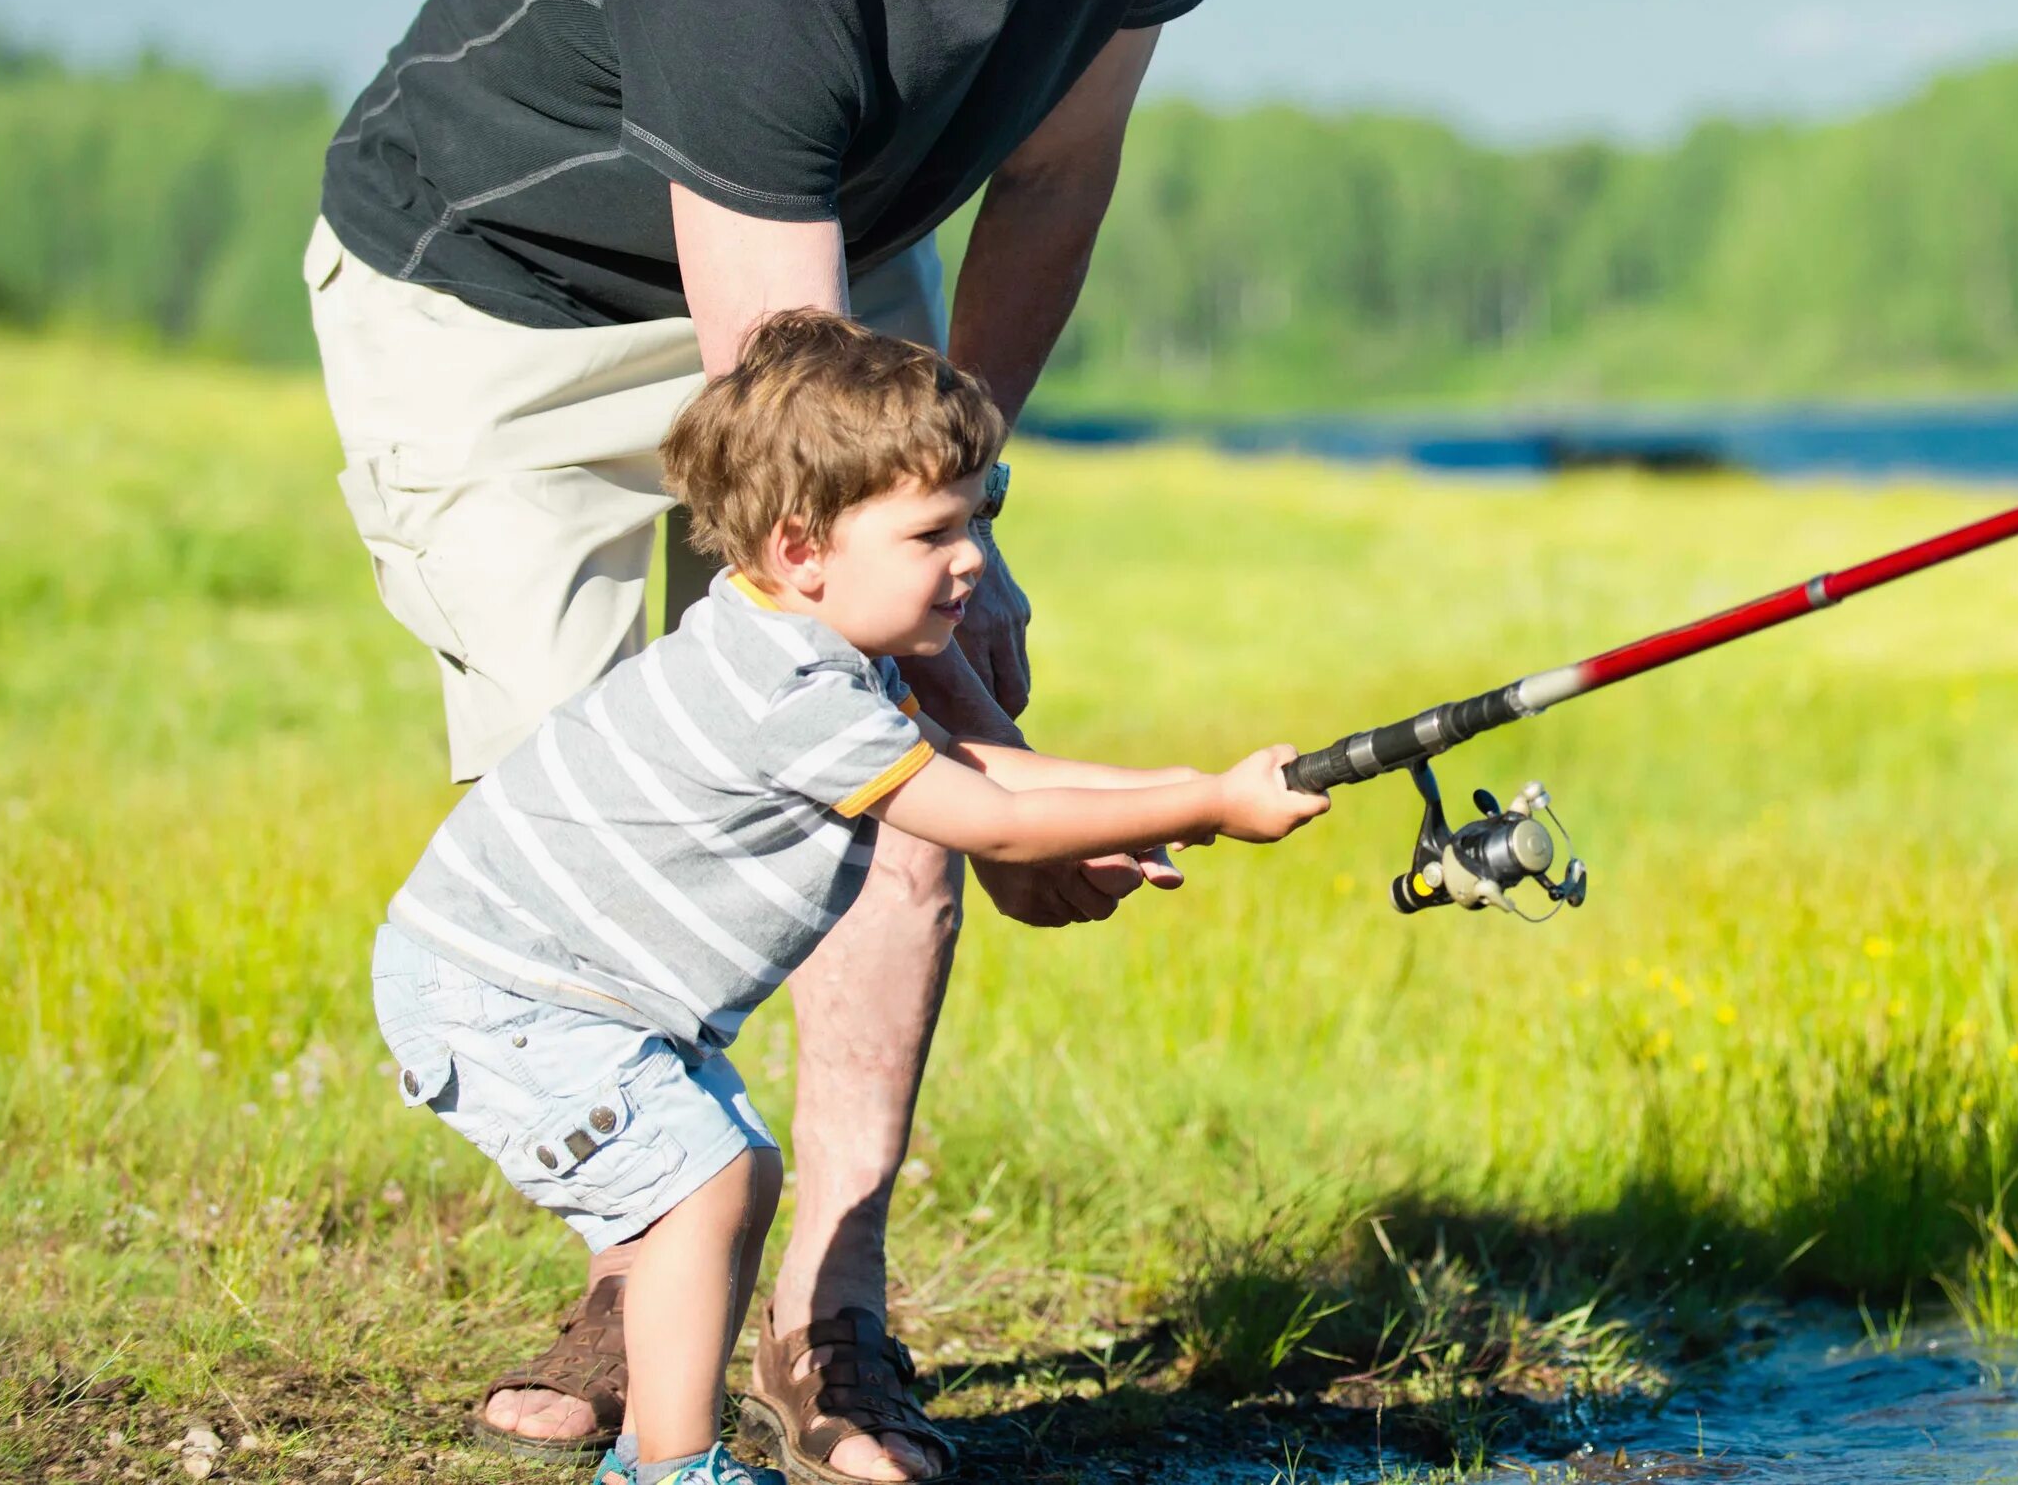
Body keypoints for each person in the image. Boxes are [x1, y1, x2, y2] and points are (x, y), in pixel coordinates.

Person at [307, 0, 1366, 1479]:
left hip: (823, 257)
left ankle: (832, 1307)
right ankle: (649, 1244)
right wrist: (981, 745)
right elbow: (799, 485)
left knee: (911, 660)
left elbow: (1052, 177)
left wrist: (983, 513)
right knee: (654, 769)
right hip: (503, 312)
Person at [373, 311, 1332, 1485]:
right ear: (802, 545)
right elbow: (985, 819)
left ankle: (662, 1452)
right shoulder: (785, 686)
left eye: (977, 517)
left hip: (558, 989)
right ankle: (668, 1465)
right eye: (933, 529)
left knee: (733, 1169)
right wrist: (1203, 803)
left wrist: (1198, 789)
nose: (971, 557)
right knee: (706, 1178)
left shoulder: (814, 645)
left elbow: (989, 770)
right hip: (507, 992)